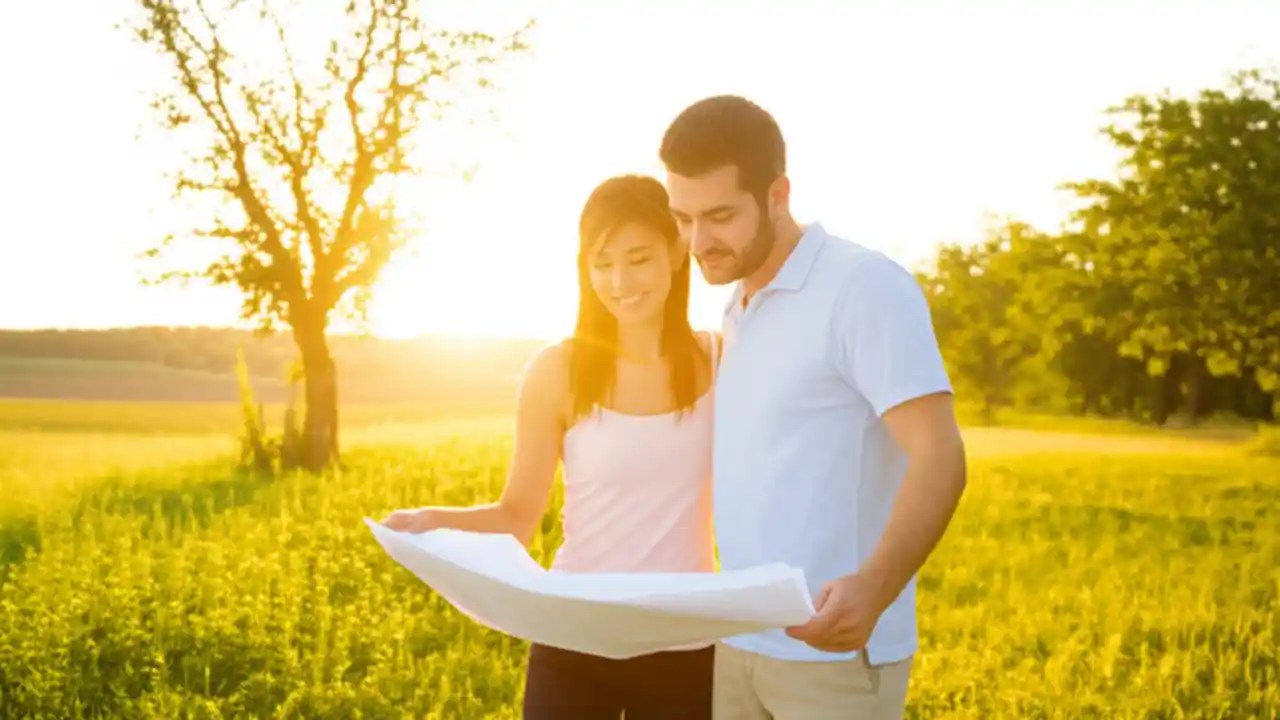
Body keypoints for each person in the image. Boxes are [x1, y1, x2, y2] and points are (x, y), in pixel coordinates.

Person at [658, 95, 968, 719]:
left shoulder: (863, 287)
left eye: (718, 216)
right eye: (683, 218)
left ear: (778, 194)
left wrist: (876, 588)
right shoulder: (737, 307)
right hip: (742, 642)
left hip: (836, 658)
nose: (698, 242)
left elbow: (940, 456)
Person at [382, 174, 721, 719]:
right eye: (602, 262)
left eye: (638, 258)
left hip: (683, 643)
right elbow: (517, 515)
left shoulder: (720, 360)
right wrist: (428, 520)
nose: (620, 280)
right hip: (573, 636)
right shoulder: (557, 372)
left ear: (677, 252)